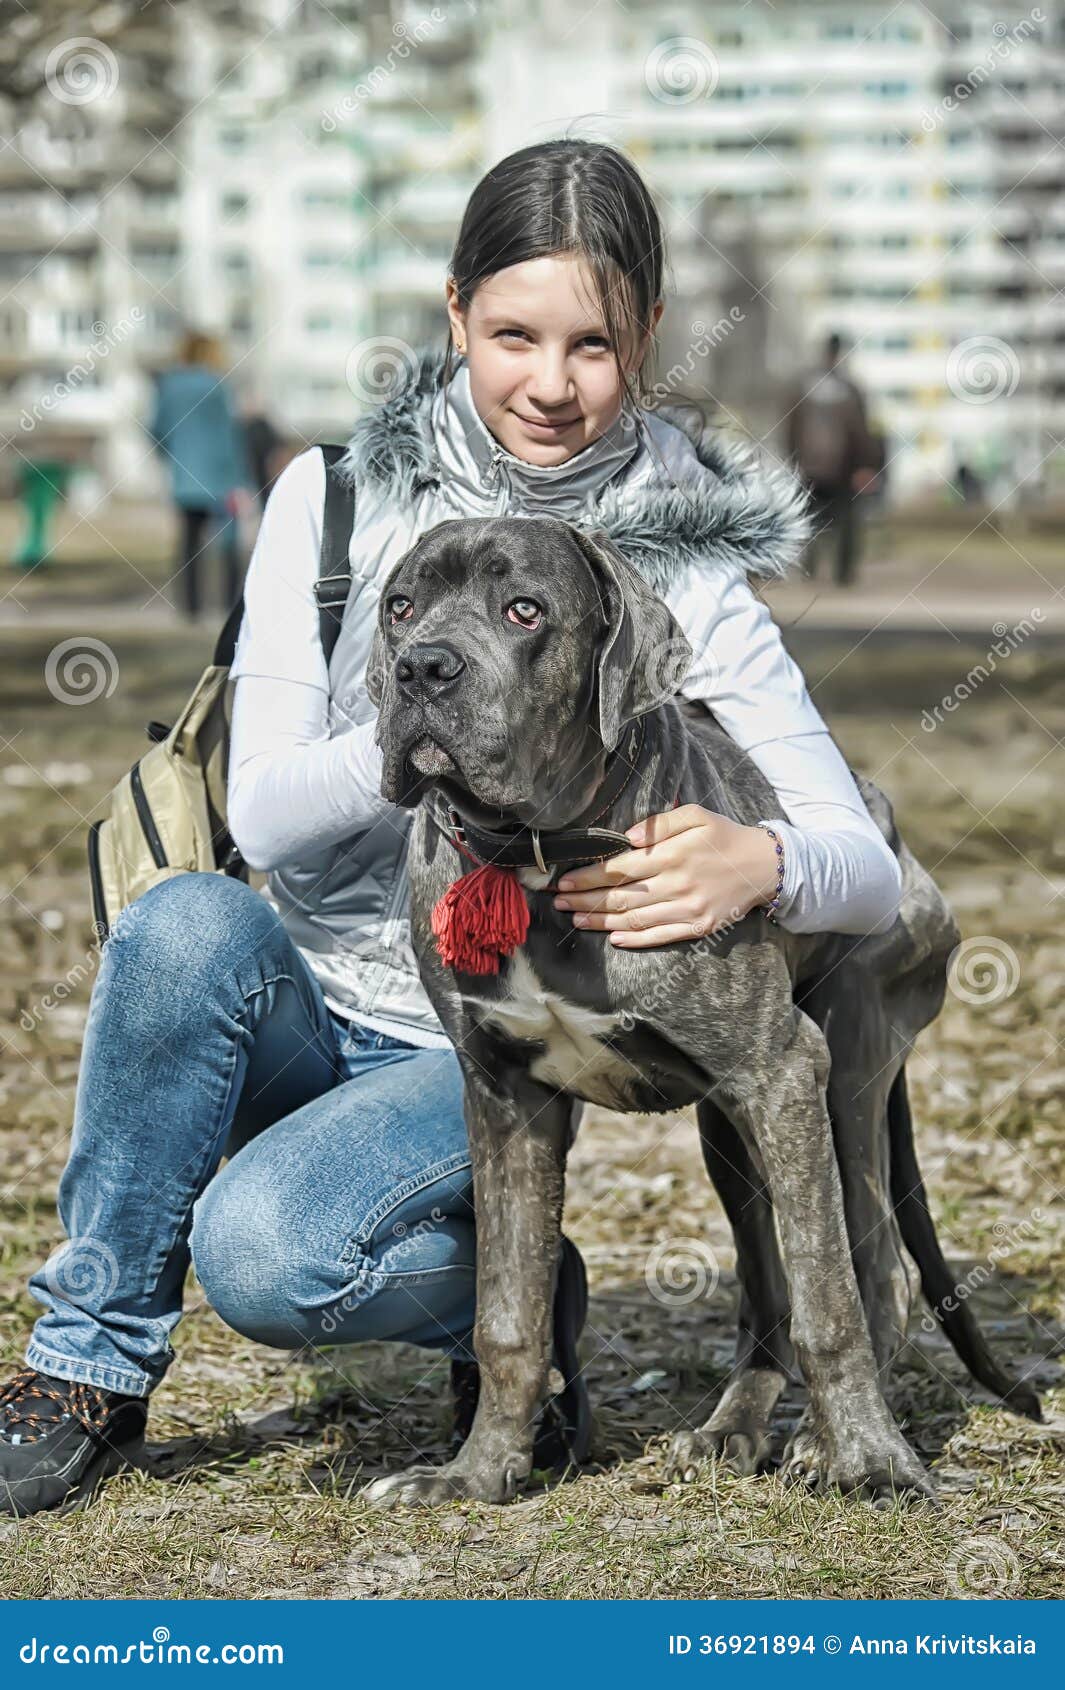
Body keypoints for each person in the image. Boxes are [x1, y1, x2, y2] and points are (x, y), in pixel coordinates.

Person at [0, 141, 904, 1518]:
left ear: (645, 339)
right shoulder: (340, 494)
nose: (551, 382)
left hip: (464, 1035)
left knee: (266, 1259)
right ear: (454, 315)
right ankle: (84, 1368)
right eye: (513, 334)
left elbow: (867, 866)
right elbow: (262, 814)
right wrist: (433, 728)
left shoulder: (680, 543)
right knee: (183, 920)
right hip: (318, 993)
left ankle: (521, 1314)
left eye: (592, 343)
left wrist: (765, 856)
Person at [146, 331, 251, 620]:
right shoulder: (217, 385)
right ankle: (230, 606)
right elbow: (230, 436)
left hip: (184, 478)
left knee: (189, 543)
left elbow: (156, 430)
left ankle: (191, 607)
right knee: (228, 543)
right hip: (221, 476)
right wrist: (242, 479)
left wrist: (173, 457)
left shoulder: (168, 386)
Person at [786, 332, 879, 587]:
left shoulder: (803, 386)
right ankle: (843, 573)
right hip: (842, 468)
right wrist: (865, 466)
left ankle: (810, 569)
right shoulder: (851, 389)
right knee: (847, 521)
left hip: (809, 466)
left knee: (809, 519)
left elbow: (791, 427)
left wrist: (794, 459)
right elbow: (861, 431)